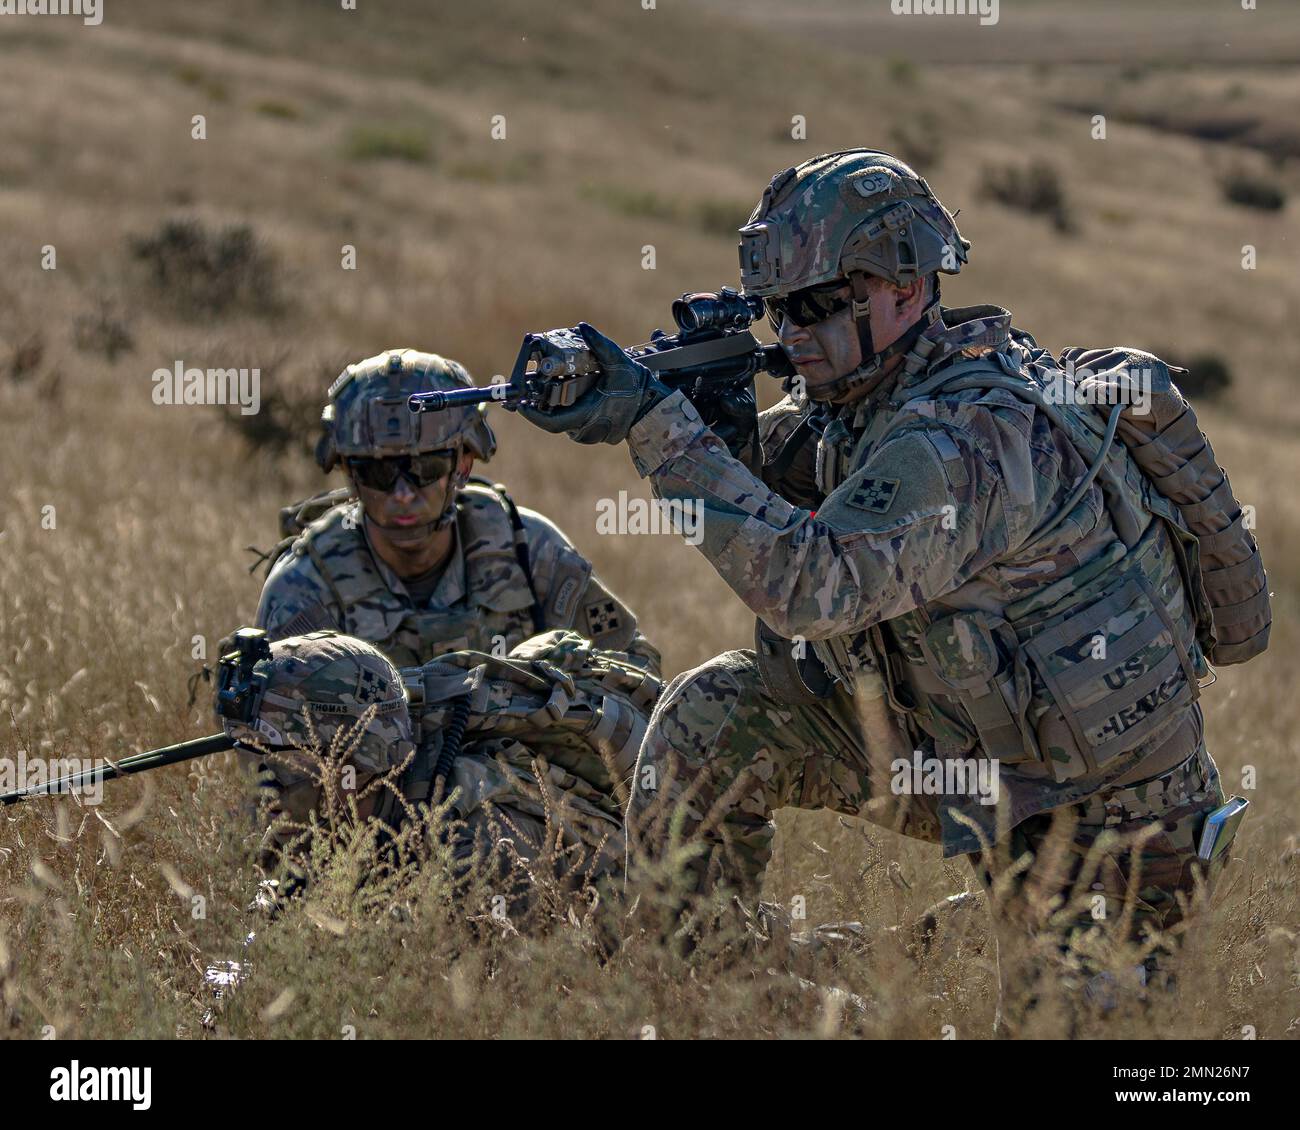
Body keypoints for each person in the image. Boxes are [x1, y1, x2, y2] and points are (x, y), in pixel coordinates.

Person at [513, 148, 1268, 1026]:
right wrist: (714, 430)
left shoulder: (965, 436)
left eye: (818, 304)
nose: (789, 332)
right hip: (966, 758)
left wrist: (659, 428)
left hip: (1113, 822)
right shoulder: (870, 402)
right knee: (708, 720)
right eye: (776, 310)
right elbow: (785, 488)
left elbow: (812, 583)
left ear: (906, 289)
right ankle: (720, 1000)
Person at [255, 347, 659, 673]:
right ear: (349, 473)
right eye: (378, 471)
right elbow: (270, 749)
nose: (402, 493)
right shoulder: (305, 586)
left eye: (424, 468)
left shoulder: (526, 548)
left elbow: (637, 670)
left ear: (463, 464)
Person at [220, 627, 660, 910]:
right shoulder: (322, 818)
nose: (264, 782)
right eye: (253, 755)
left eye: (286, 758)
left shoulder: (481, 842)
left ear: (361, 759)